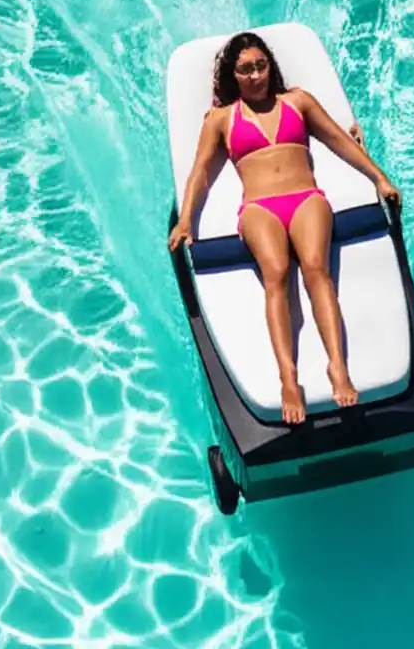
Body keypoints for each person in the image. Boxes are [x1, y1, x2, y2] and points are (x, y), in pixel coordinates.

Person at [167, 31, 401, 425]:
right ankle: (289, 380)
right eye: (245, 69)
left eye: (261, 65)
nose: (256, 75)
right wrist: (187, 219)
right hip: (259, 208)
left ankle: (337, 367)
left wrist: (379, 178)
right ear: (233, 75)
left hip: (307, 198)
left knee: (316, 270)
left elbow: (338, 142)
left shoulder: (299, 101)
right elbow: (200, 175)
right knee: (276, 274)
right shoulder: (221, 120)